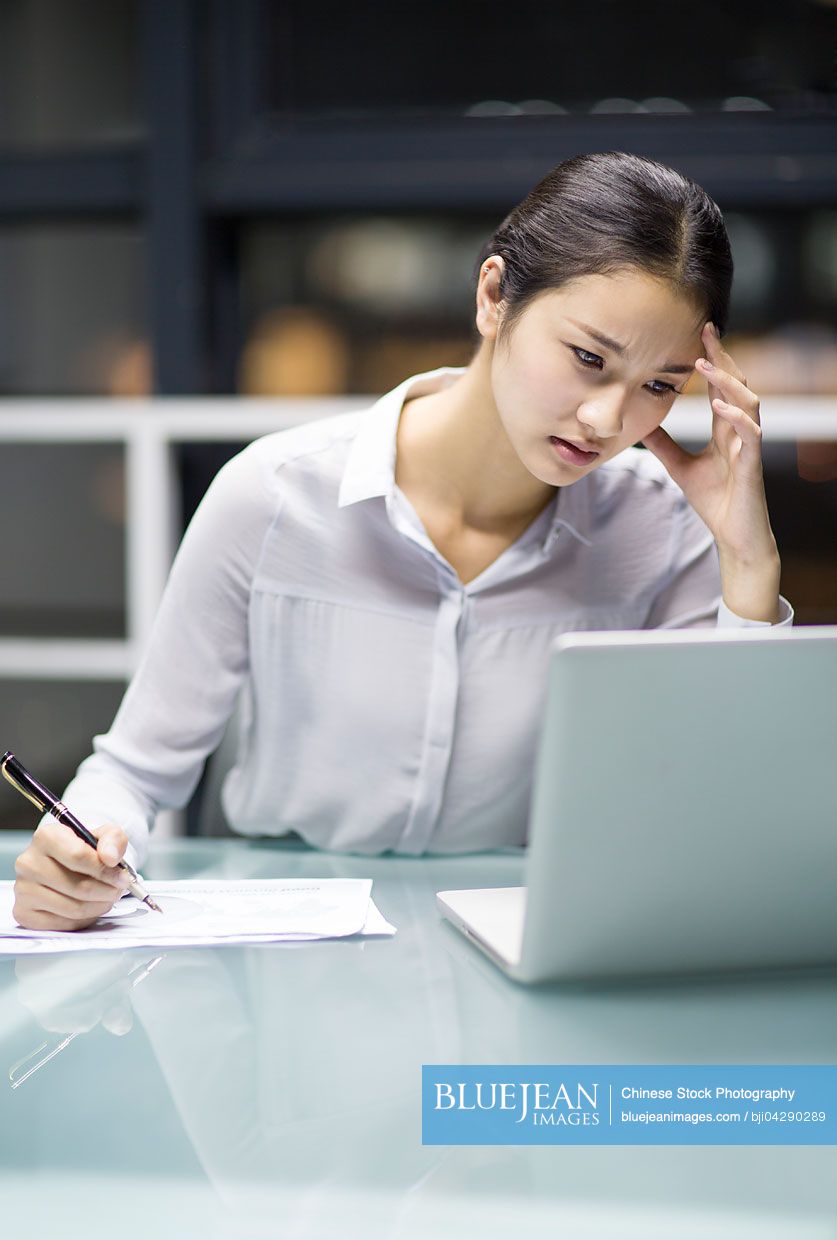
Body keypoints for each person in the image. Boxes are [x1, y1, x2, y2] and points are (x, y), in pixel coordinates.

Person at [13, 151, 792, 931]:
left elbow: (715, 815)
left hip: (524, 943)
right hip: (285, 953)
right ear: (494, 296)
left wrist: (748, 563)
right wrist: (77, 853)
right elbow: (135, 771)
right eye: (588, 359)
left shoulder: (661, 529)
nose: (606, 419)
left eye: (660, 384)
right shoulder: (275, 496)